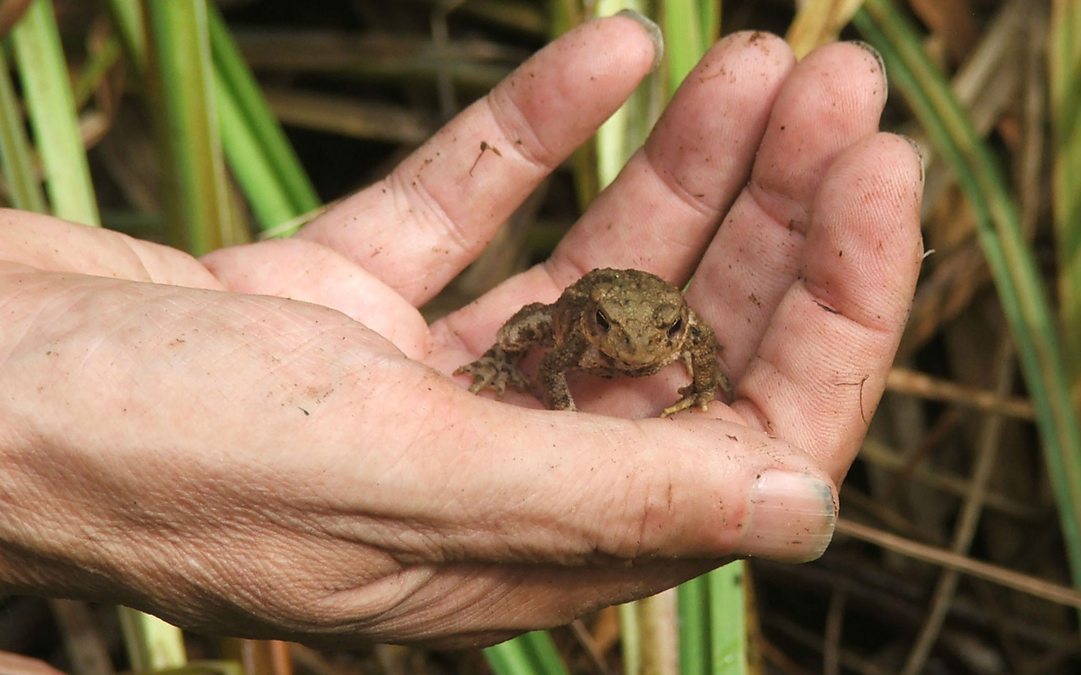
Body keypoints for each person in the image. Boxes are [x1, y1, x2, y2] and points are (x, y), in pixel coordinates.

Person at [0, 13, 922, 647]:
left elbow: (697, 341)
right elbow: (554, 348)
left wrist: (699, 386)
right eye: (619, 332)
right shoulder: (582, 327)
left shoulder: (672, 329)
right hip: (583, 296)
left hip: (637, 295)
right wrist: (538, 397)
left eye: (665, 336)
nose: (643, 347)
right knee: (520, 331)